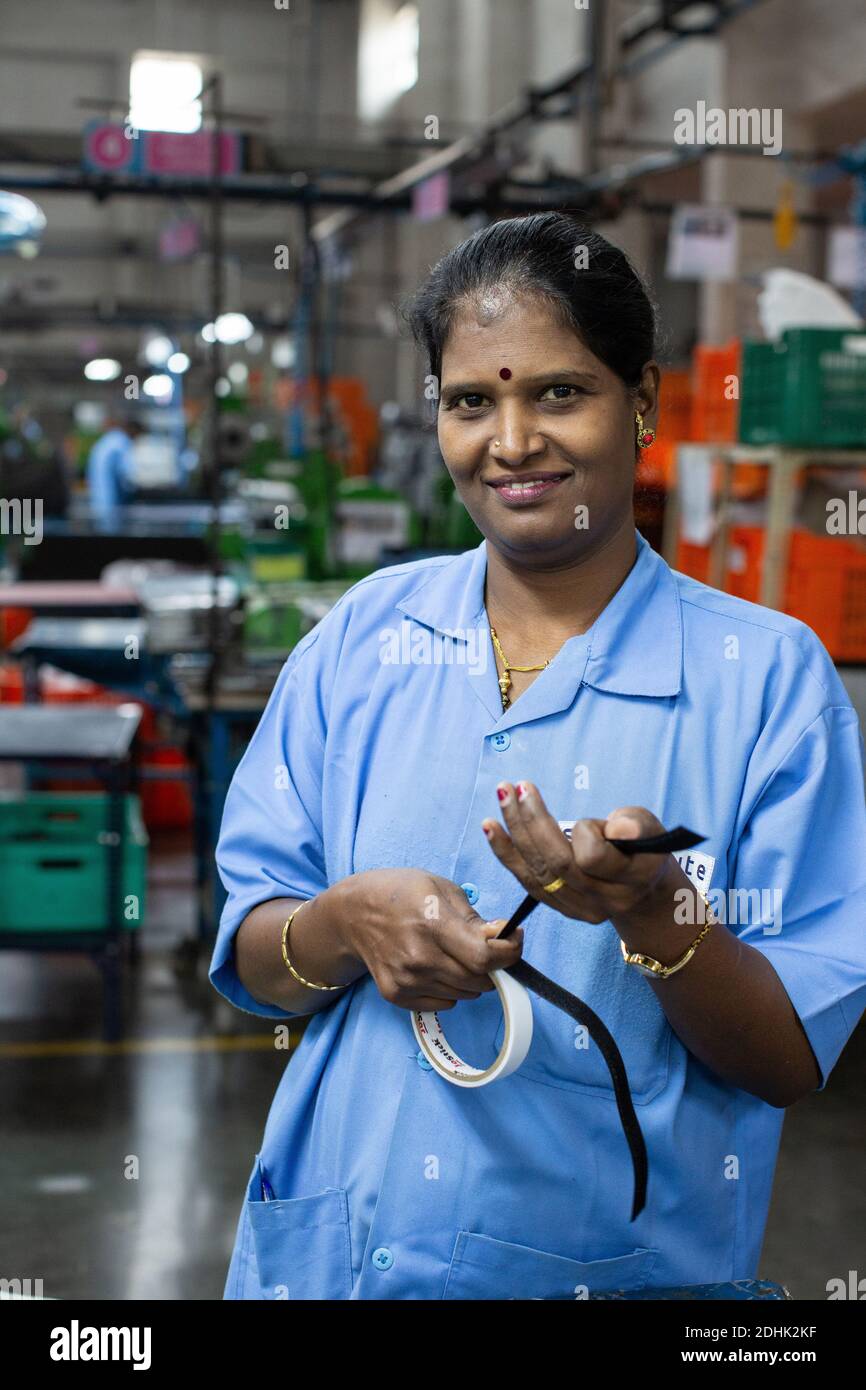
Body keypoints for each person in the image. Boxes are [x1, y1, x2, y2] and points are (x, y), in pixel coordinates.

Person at [210, 212, 866, 1300]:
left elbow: (786, 1060)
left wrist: (653, 912)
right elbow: (253, 960)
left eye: (556, 392)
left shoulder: (764, 683)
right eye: (472, 401)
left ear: (642, 399)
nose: (510, 442)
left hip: (601, 1271)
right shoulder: (365, 638)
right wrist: (342, 922)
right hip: (331, 1265)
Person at [85, 417, 142, 530]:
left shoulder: (108, 440)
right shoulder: (121, 443)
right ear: (134, 431)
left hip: (98, 504)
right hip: (113, 506)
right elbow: (127, 476)